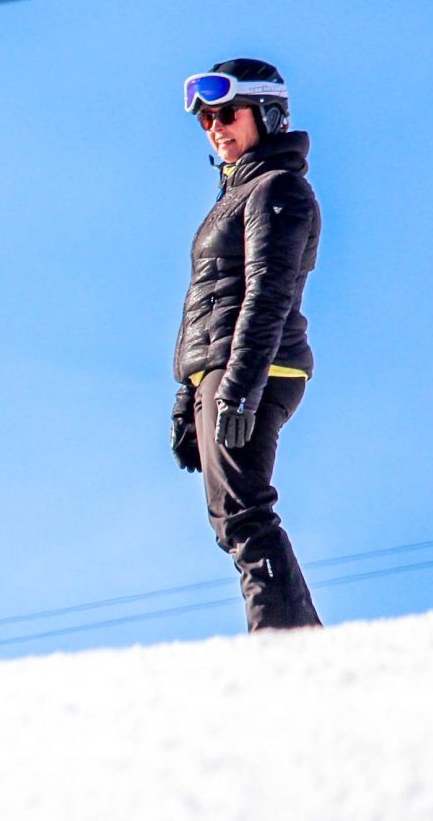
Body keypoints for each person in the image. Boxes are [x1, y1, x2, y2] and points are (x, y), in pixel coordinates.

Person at [171, 58, 324, 632]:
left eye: (227, 113)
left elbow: (268, 294)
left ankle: (283, 641)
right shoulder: (235, 195)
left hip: (259, 368)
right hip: (227, 371)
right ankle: (296, 635)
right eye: (206, 118)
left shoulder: (278, 189)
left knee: (244, 513)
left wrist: (238, 389)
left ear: (266, 113)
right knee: (231, 517)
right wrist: (189, 399)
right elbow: (208, 302)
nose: (215, 126)